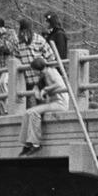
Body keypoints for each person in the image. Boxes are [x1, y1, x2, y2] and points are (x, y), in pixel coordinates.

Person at [15, 18, 68, 156]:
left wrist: (45, 90)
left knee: (33, 112)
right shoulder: (43, 76)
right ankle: (26, 143)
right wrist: (39, 89)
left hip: (60, 103)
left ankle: (36, 142)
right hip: (54, 102)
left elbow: (60, 84)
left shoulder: (50, 72)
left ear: (38, 69)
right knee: (27, 112)